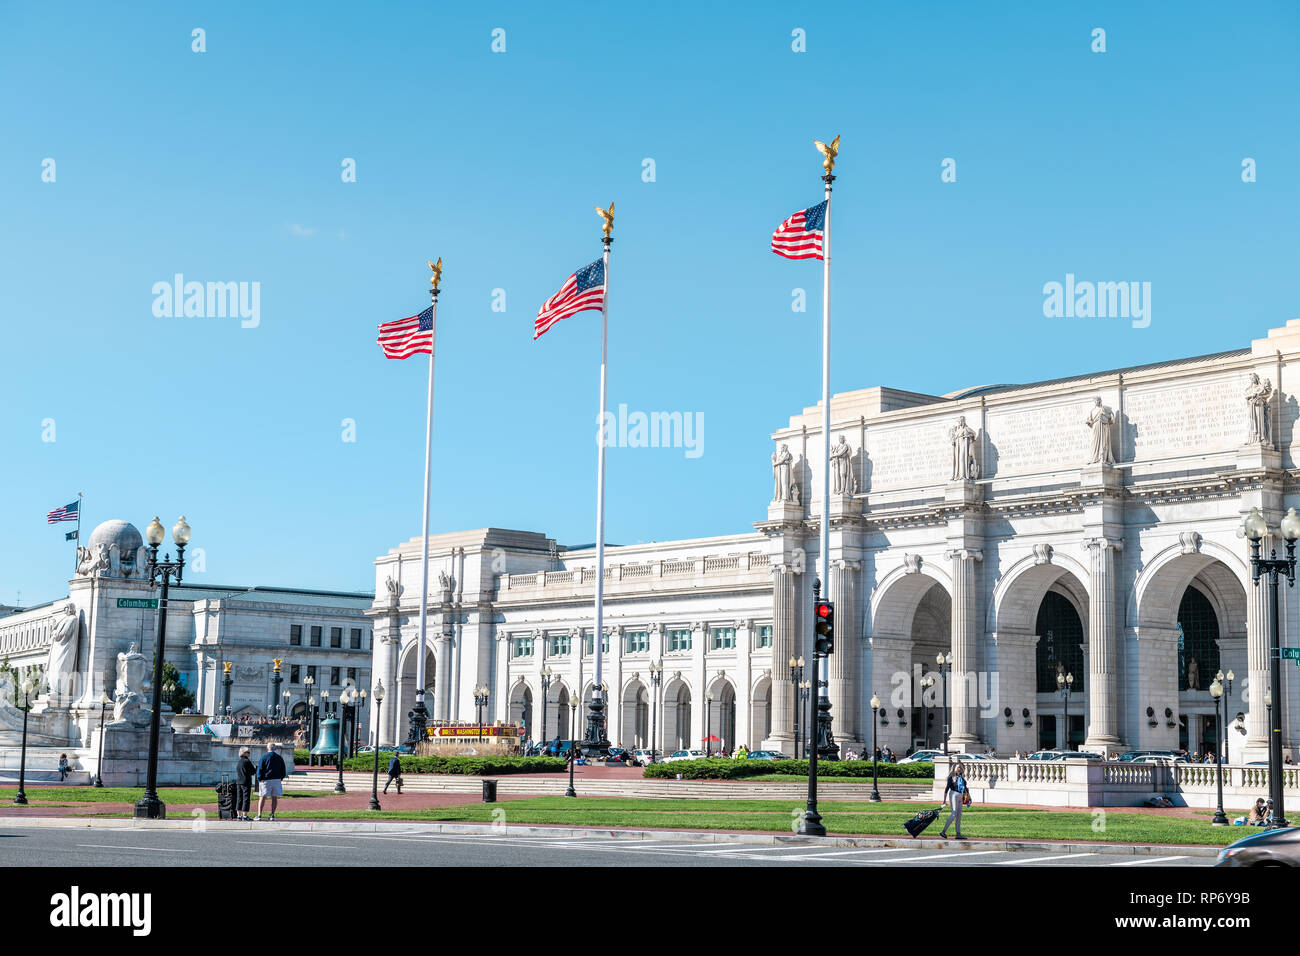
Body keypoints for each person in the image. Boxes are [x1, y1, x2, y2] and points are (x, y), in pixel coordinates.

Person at [254, 742, 287, 821]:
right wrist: (280, 778)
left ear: (267, 749)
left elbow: (260, 769)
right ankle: (272, 814)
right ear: (275, 749)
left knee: (262, 797)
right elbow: (283, 769)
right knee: (274, 797)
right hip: (276, 779)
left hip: (266, 779)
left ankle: (259, 815)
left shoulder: (264, 757)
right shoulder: (279, 757)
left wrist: (259, 778)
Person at [940, 760, 969, 840]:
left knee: (959, 815)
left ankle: (958, 834)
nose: (959, 769)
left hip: (961, 796)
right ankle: (943, 831)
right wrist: (944, 800)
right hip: (953, 795)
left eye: (960, 767)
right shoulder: (951, 778)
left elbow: (965, 788)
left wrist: (968, 797)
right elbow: (946, 789)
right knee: (954, 813)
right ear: (954, 769)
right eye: (957, 767)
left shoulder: (962, 778)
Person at [235, 746, 256, 821]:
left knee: (239, 798)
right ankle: (245, 816)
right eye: (248, 752)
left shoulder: (239, 761)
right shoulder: (247, 761)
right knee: (246, 798)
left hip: (239, 781)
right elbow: (253, 771)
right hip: (246, 782)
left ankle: (238, 816)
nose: (249, 754)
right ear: (244, 753)